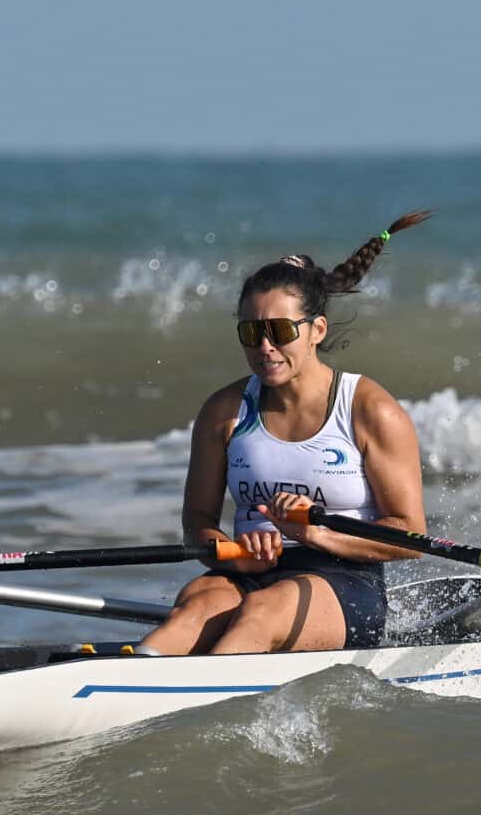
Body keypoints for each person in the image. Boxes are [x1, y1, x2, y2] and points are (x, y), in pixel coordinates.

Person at [136, 212, 433, 656]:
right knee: (193, 609)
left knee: (261, 613)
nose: (264, 347)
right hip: (248, 572)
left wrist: (315, 533)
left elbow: (409, 536)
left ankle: (191, 691)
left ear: (317, 330)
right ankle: (129, 676)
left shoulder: (371, 410)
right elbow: (197, 524)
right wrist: (231, 553)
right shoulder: (223, 411)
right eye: (251, 332)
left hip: (343, 579)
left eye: (279, 331)